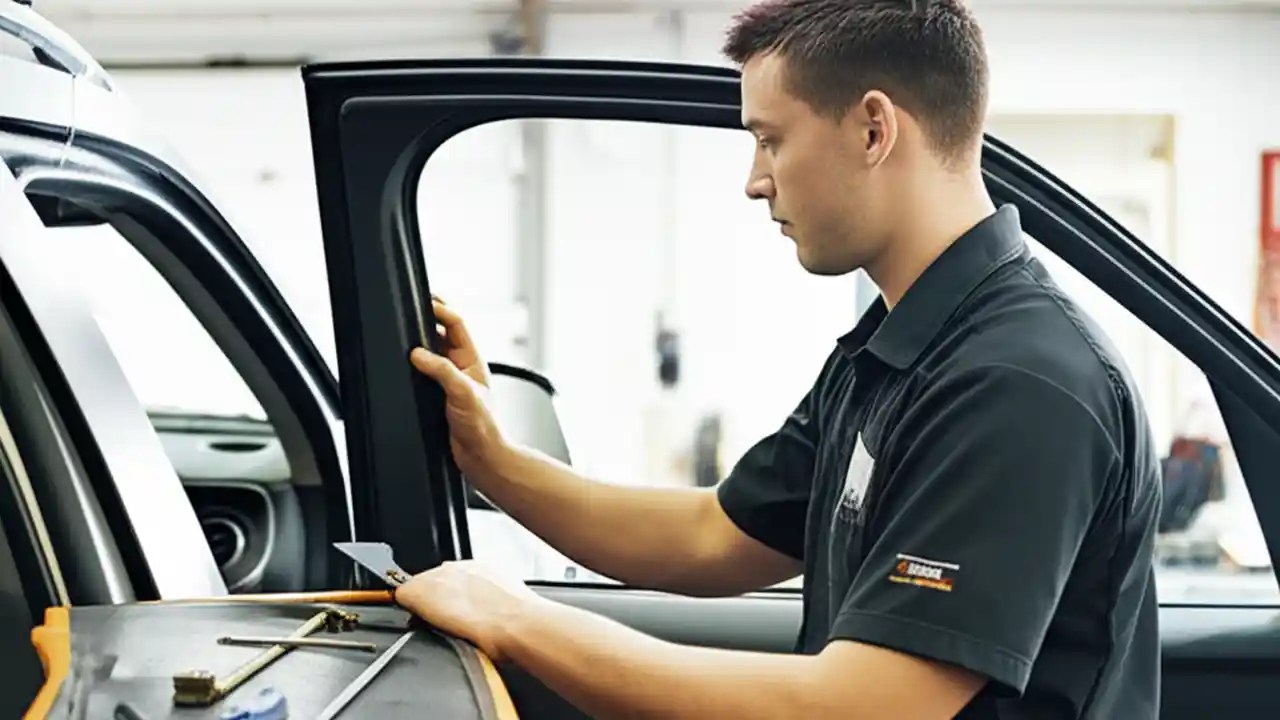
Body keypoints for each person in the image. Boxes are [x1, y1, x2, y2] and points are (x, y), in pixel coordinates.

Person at [396, 1, 1162, 718]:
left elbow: (864, 705)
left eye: (770, 139)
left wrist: (516, 619)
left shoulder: (1017, 382)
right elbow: (714, 534)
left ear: (873, 130)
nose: (755, 181)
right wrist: (492, 460)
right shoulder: (899, 349)